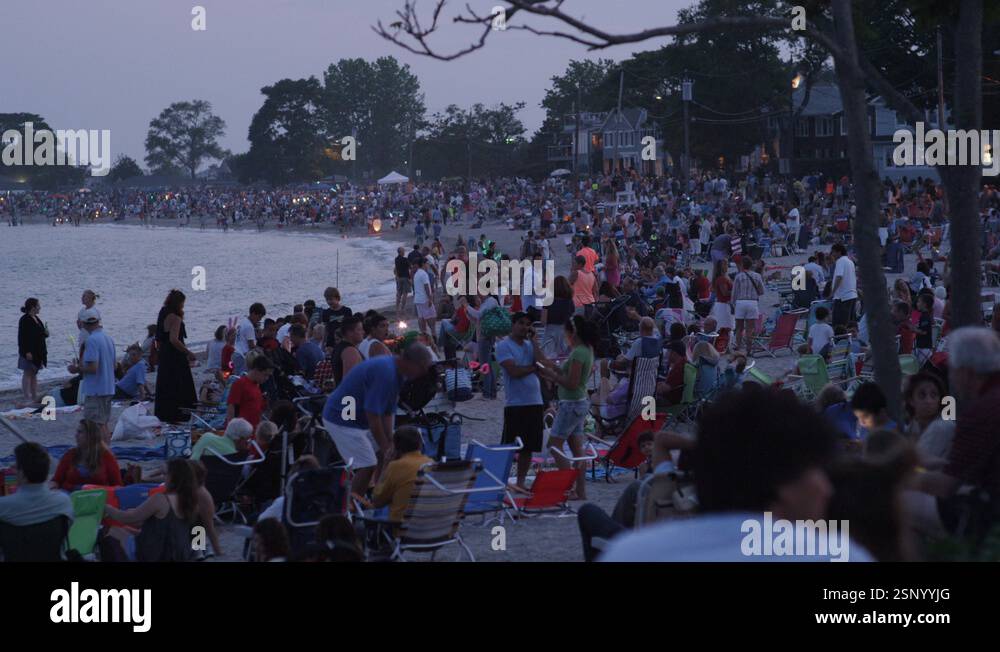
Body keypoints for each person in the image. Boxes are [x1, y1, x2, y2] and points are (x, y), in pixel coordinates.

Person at [600, 384, 872, 561]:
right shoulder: (833, 555)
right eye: (817, 472)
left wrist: (715, 449)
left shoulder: (630, 553)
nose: (826, 487)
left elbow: (663, 442)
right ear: (782, 484)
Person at [915, 327, 1000, 536]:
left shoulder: (981, 411)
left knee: (900, 500)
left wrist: (895, 476)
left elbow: (946, 487)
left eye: (952, 368)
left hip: (990, 514)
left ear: (966, 371)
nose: (950, 376)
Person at [321, 344, 434, 496]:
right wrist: (386, 446)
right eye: (422, 368)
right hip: (341, 418)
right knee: (368, 463)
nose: (423, 373)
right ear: (410, 362)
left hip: (356, 417)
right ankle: (351, 506)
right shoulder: (386, 373)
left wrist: (390, 441)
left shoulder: (398, 372)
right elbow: (373, 416)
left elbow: (387, 412)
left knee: (383, 453)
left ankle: (377, 496)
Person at [537, 316, 598, 500]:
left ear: (573, 332)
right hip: (578, 402)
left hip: (571, 403)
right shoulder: (585, 350)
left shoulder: (579, 352)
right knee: (576, 450)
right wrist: (543, 360)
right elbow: (567, 373)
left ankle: (569, 486)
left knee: (553, 446)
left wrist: (551, 376)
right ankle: (580, 491)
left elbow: (572, 383)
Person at [104, 458, 199, 562]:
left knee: (114, 530)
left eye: (165, 474)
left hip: (154, 555)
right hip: (179, 554)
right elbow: (199, 532)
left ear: (173, 477)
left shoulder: (161, 499)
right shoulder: (193, 501)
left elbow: (127, 518)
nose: (163, 478)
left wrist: (106, 507)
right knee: (128, 530)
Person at [496, 312, 547, 489]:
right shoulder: (503, 345)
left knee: (528, 447)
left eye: (527, 324)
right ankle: (501, 481)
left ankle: (520, 482)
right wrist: (534, 368)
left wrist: (534, 341)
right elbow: (514, 371)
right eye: (521, 323)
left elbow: (543, 363)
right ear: (513, 324)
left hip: (535, 400)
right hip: (516, 403)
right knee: (510, 447)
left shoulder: (529, 344)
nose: (524, 327)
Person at [68, 308, 116, 442]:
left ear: (83, 324)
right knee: (103, 424)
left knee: (95, 425)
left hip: (96, 390)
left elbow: (93, 367)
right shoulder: (108, 338)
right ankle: (107, 452)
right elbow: (114, 365)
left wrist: (76, 368)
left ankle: (102, 454)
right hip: (108, 387)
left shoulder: (91, 340)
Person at [0, 442, 74, 527]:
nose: (11, 466)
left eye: (16, 464)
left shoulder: (4, 506)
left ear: (23, 474)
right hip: (52, 540)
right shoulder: (64, 502)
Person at [153, 289, 198, 424]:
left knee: (166, 383)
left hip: (164, 353)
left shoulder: (163, 312)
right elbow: (174, 339)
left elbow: (161, 336)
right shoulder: (176, 318)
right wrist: (188, 352)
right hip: (175, 355)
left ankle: (164, 414)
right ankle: (179, 414)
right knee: (179, 383)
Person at [371, 426, 434, 523]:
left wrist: (385, 466)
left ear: (396, 448)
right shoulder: (432, 463)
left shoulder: (395, 467)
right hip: (434, 525)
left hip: (404, 528)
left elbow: (377, 501)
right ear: (420, 445)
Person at [51, 419, 123, 491]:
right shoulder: (70, 455)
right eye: (77, 432)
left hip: (98, 498)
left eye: (80, 432)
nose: (76, 435)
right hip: (70, 496)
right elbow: (56, 480)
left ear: (90, 436)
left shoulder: (106, 457)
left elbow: (118, 487)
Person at [902, 372, 955, 465]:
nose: (928, 401)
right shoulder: (910, 428)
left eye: (934, 395)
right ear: (911, 400)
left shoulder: (943, 426)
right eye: (922, 395)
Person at [226, 355, 274, 429]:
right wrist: (231, 430)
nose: (266, 378)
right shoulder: (240, 384)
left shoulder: (257, 386)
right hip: (240, 430)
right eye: (265, 375)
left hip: (252, 430)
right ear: (256, 370)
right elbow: (231, 407)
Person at [17, 297, 48, 406]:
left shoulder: (36, 318)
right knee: (27, 373)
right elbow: (22, 337)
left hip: (37, 351)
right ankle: (27, 396)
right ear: (33, 307)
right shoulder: (25, 319)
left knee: (34, 373)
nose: (40, 307)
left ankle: (34, 395)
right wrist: (26, 352)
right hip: (28, 352)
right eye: (38, 305)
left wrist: (45, 333)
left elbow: (39, 334)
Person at [731, 256, 764, 354]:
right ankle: (748, 349)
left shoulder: (738, 276)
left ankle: (738, 347)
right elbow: (762, 291)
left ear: (742, 265)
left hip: (740, 302)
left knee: (739, 327)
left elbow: (734, 293)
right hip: (752, 302)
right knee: (750, 328)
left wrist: (733, 305)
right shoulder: (757, 276)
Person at [331, 314, 365, 385]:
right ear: (350, 332)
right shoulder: (350, 351)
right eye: (359, 329)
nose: (363, 332)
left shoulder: (337, 348)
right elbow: (349, 382)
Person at [830, 243, 858, 327]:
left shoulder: (840, 261)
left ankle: (840, 340)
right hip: (852, 295)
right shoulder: (850, 262)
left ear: (839, 252)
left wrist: (832, 292)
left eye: (833, 252)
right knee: (849, 324)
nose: (832, 254)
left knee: (839, 324)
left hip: (842, 297)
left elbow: (839, 276)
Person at [234, 302, 266, 374]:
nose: (259, 319)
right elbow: (251, 346)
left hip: (236, 352)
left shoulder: (243, 322)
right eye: (259, 317)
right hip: (243, 355)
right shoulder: (249, 326)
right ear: (253, 313)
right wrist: (261, 351)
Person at [412, 257, 437, 335]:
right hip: (424, 299)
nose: (427, 265)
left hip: (418, 299)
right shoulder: (423, 273)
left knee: (421, 318)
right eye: (426, 264)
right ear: (423, 264)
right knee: (432, 319)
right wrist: (430, 298)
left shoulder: (416, 274)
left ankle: (424, 335)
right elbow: (426, 286)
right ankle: (433, 336)